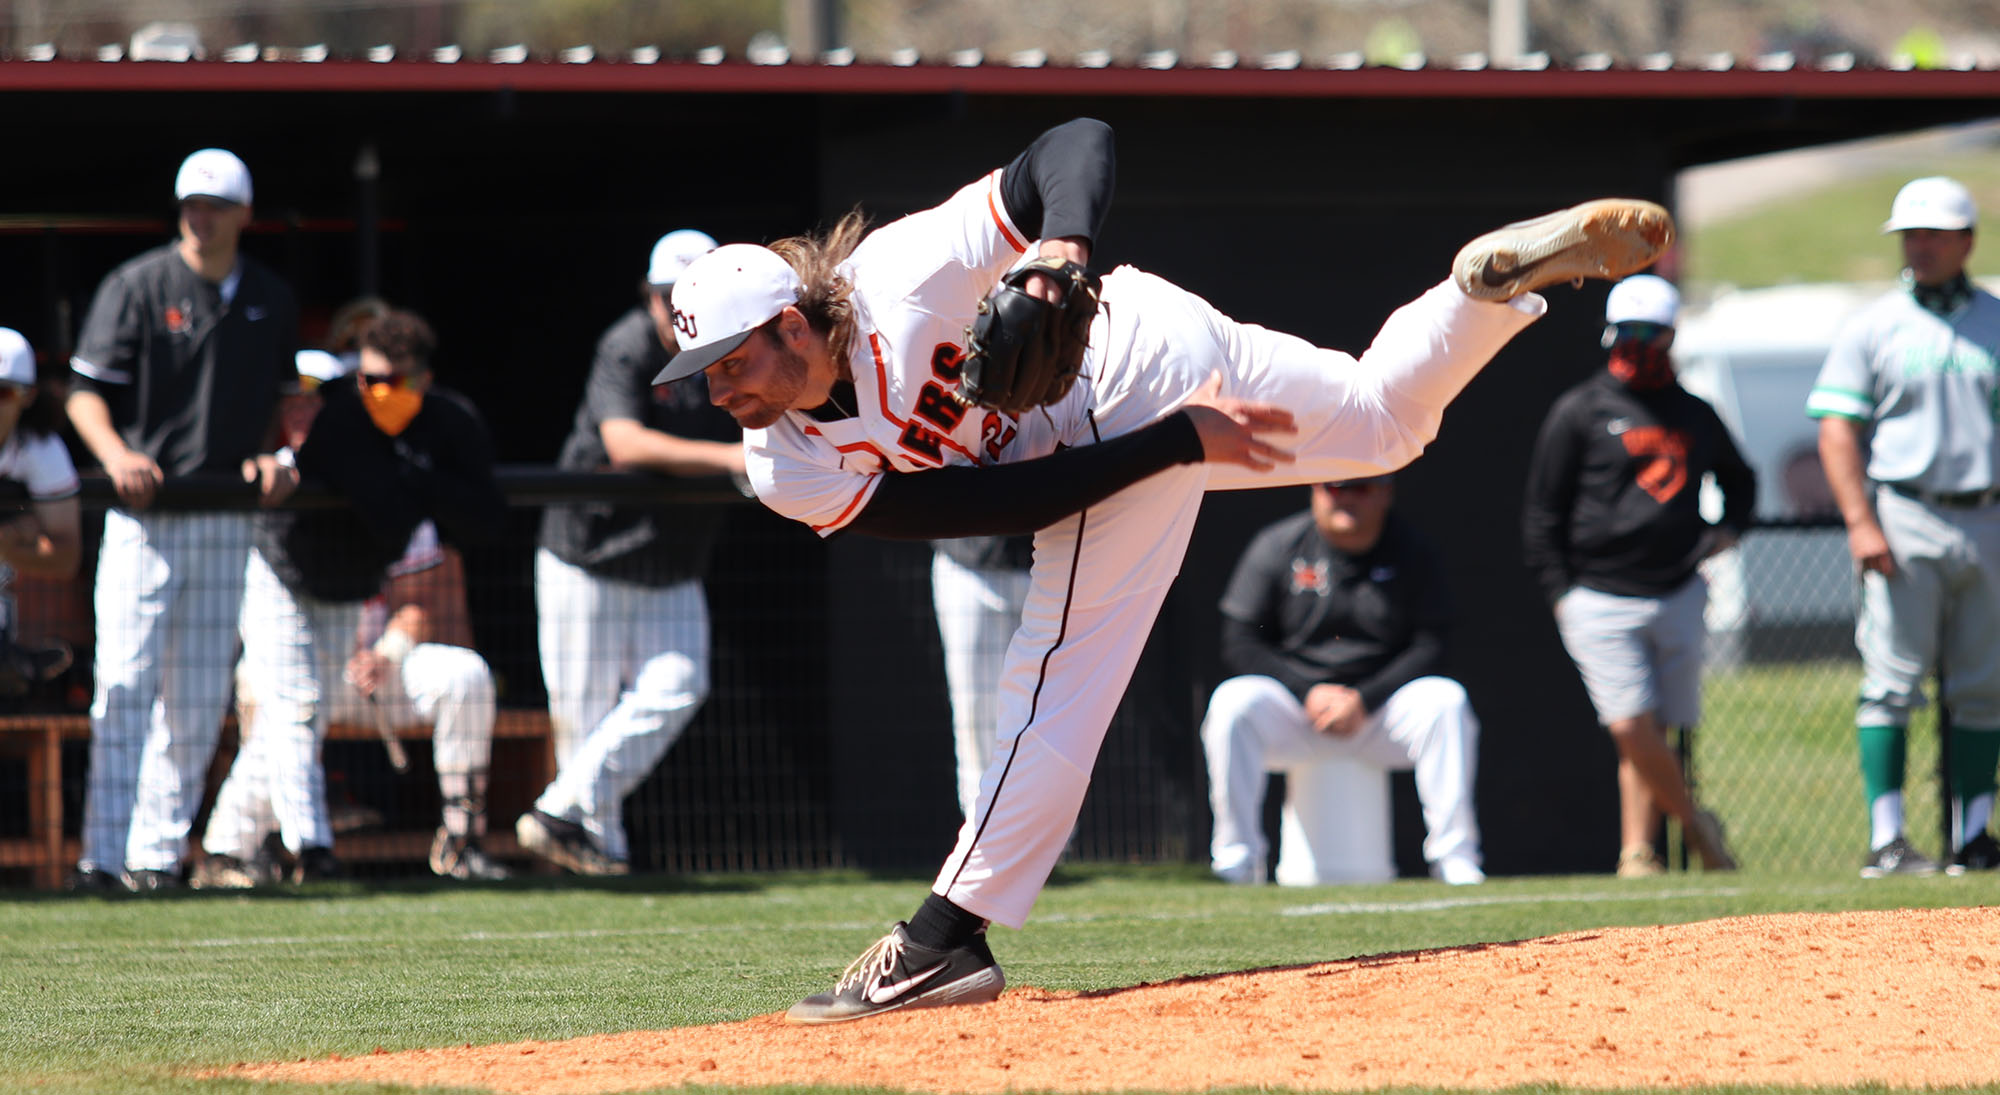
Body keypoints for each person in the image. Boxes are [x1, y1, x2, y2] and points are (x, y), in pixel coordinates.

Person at [655, 117, 1672, 1022]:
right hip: (1136, 392)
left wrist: (1058, 249)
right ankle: (1475, 297)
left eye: (731, 362)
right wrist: (1177, 444)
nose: (717, 391)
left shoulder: (902, 274)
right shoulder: (783, 462)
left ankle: (939, 942)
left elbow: (1074, 141)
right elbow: (979, 508)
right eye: (704, 375)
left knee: (1056, 681)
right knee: (1384, 426)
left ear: (792, 323)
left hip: (1122, 361)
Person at [65, 148, 301, 892]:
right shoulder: (137, 284)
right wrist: (114, 455)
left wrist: (276, 454)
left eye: (216, 205)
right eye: (190, 204)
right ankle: (100, 857)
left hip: (226, 518)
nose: (200, 217)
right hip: (146, 515)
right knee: (126, 681)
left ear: (243, 214)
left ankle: (156, 857)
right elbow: (83, 393)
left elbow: (288, 404)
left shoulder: (269, 294)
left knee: (198, 694)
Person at [195, 339, 511, 885]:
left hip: (372, 666)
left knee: (466, 675)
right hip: (285, 661)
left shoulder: (390, 469)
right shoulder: (268, 473)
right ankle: (286, 845)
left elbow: (416, 603)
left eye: (318, 401)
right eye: (292, 401)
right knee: (292, 701)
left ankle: (462, 839)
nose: (303, 412)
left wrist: (388, 653)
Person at [516, 229, 746, 875]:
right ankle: (598, 851)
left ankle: (557, 813)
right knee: (582, 716)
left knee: (680, 683)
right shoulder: (628, 345)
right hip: (589, 553)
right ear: (648, 295)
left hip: (672, 559)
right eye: (664, 297)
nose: (675, 312)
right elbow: (625, 443)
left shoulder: (733, 347)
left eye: (687, 296)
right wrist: (734, 458)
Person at [1521, 274, 1752, 878]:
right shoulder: (1580, 411)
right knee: (1629, 722)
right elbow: (1543, 511)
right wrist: (1560, 596)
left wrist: (1726, 531)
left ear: (1672, 336)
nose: (1640, 345)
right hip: (1598, 595)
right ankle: (1700, 829)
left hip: (1677, 589)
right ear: (1610, 334)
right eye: (1630, 333)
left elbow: (1739, 479)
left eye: (1653, 334)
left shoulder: (1694, 412)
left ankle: (1637, 853)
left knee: (1649, 733)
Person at [1808, 176, 2000, 878]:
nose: (1919, 246)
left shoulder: (1997, 320)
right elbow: (1836, 429)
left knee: (1984, 684)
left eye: (1933, 234)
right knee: (1891, 682)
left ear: (1966, 241)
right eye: (1910, 234)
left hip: (1990, 514)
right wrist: (1861, 521)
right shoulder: (1874, 324)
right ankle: (1887, 838)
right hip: (1905, 511)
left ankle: (1974, 835)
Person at [1201, 473, 1484, 886]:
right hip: (1297, 712)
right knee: (1233, 702)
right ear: (1314, 491)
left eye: (1360, 488)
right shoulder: (1279, 545)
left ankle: (1455, 861)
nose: (1344, 498)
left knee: (1447, 701)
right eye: (1333, 487)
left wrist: (1365, 699)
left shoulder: (1412, 550)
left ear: (1385, 493)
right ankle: (1237, 862)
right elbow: (1240, 641)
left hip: (1380, 712)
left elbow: (1432, 644)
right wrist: (1306, 692)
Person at [0, 328, 83, 694]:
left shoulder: (43, 451)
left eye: (2, 392)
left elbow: (65, 557)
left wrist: (5, 539)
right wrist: (24, 528)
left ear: (28, 397)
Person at [931, 534, 1034, 820]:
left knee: (1048, 717)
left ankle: (1055, 847)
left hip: (1050, 567)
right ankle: (981, 833)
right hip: (968, 565)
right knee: (975, 714)